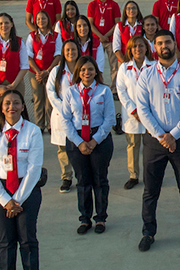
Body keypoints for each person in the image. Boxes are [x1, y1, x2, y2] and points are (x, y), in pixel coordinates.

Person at [134, 29, 180, 252]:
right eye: (160, 43)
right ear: (155, 47)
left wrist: (174, 135)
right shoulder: (146, 75)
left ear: (175, 44)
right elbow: (142, 109)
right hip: (155, 142)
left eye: (168, 42)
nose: (164, 46)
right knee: (150, 191)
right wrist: (161, 136)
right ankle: (148, 232)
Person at [0, 89, 44, 270]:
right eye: (7, 103)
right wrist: (6, 201)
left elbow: (34, 168)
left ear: (23, 106)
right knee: (6, 241)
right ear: (1, 108)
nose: (12, 107)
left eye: (16, 103)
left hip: (27, 189)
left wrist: (17, 200)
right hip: (0, 190)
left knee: (27, 240)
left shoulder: (32, 131)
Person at [60, 56, 116, 234]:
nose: (87, 73)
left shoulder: (103, 91)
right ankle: (84, 219)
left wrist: (94, 141)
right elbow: (66, 120)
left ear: (96, 72)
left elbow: (109, 119)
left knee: (100, 180)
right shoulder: (70, 92)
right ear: (78, 72)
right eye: (83, 70)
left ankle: (100, 218)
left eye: (90, 69)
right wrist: (79, 143)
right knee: (83, 181)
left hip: (99, 138)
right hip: (77, 139)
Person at [46, 40, 81, 194]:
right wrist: (64, 109)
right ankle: (66, 177)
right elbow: (50, 91)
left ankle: (81, 175)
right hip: (61, 114)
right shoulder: (57, 71)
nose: (70, 53)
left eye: (73, 49)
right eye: (67, 50)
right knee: (62, 148)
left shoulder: (83, 68)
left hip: (80, 114)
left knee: (79, 145)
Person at [117, 35, 152, 190]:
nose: (138, 49)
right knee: (133, 145)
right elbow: (121, 91)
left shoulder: (153, 66)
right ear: (130, 50)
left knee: (150, 147)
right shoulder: (124, 67)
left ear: (146, 48)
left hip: (150, 113)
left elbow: (157, 89)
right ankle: (133, 175)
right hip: (132, 115)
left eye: (141, 45)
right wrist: (134, 110)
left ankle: (150, 175)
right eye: (134, 46)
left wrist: (144, 111)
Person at [0, 13, 31, 115]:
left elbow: (25, 66)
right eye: (1, 23)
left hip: (16, 83)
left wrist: (14, 84)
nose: (4, 26)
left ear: (12, 24)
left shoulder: (19, 42)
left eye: (6, 23)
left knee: (16, 112)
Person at [26, 10, 62, 130]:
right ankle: (39, 125)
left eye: (44, 18)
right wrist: (38, 72)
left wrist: (48, 70)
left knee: (50, 99)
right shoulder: (32, 36)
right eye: (39, 19)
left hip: (51, 72)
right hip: (35, 73)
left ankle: (51, 125)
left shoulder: (56, 36)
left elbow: (58, 55)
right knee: (38, 99)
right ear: (36, 22)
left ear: (48, 20)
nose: (41, 21)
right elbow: (29, 56)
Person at [86, 0, 120, 70]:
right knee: (95, 64)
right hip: (96, 40)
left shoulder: (114, 5)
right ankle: (96, 83)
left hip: (111, 39)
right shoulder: (92, 5)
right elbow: (90, 23)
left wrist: (106, 36)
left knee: (114, 66)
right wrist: (100, 36)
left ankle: (113, 84)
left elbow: (117, 24)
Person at [112, 0, 144, 65]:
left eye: (134, 8)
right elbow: (116, 47)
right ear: (125, 11)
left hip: (140, 61)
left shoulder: (143, 25)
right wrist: (124, 62)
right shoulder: (119, 26)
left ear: (138, 10)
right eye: (128, 8)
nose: (131, 10)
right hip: (123, 60)